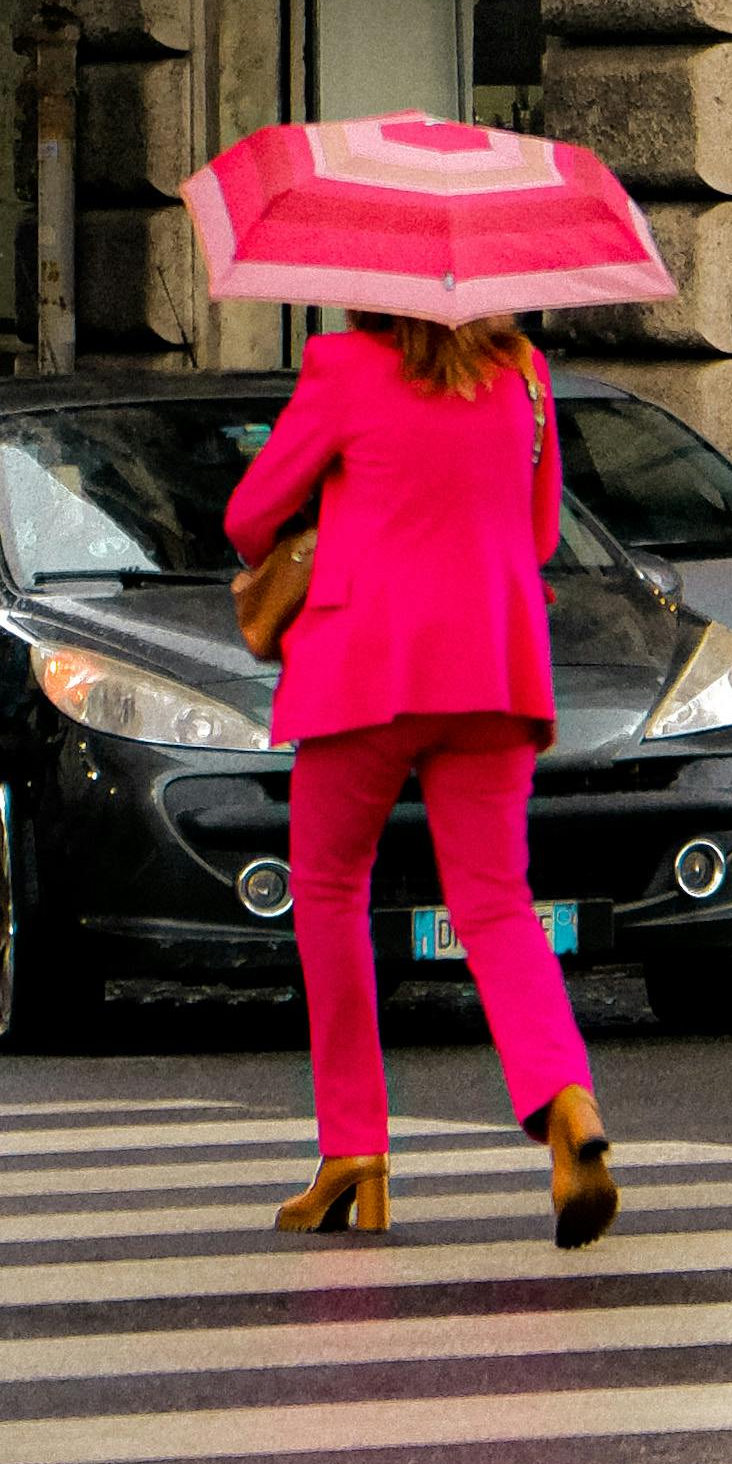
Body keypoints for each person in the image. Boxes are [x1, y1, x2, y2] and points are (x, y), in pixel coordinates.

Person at [224, 309, 617, 1252]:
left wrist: (332, 498)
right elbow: (538, 532)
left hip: (364, 663)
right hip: (493, 659)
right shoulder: (522, 374)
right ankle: (566, 1101)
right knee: (495, 902)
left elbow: (247, 518)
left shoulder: (342, 368)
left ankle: (353, 1144)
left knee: (328, 889)